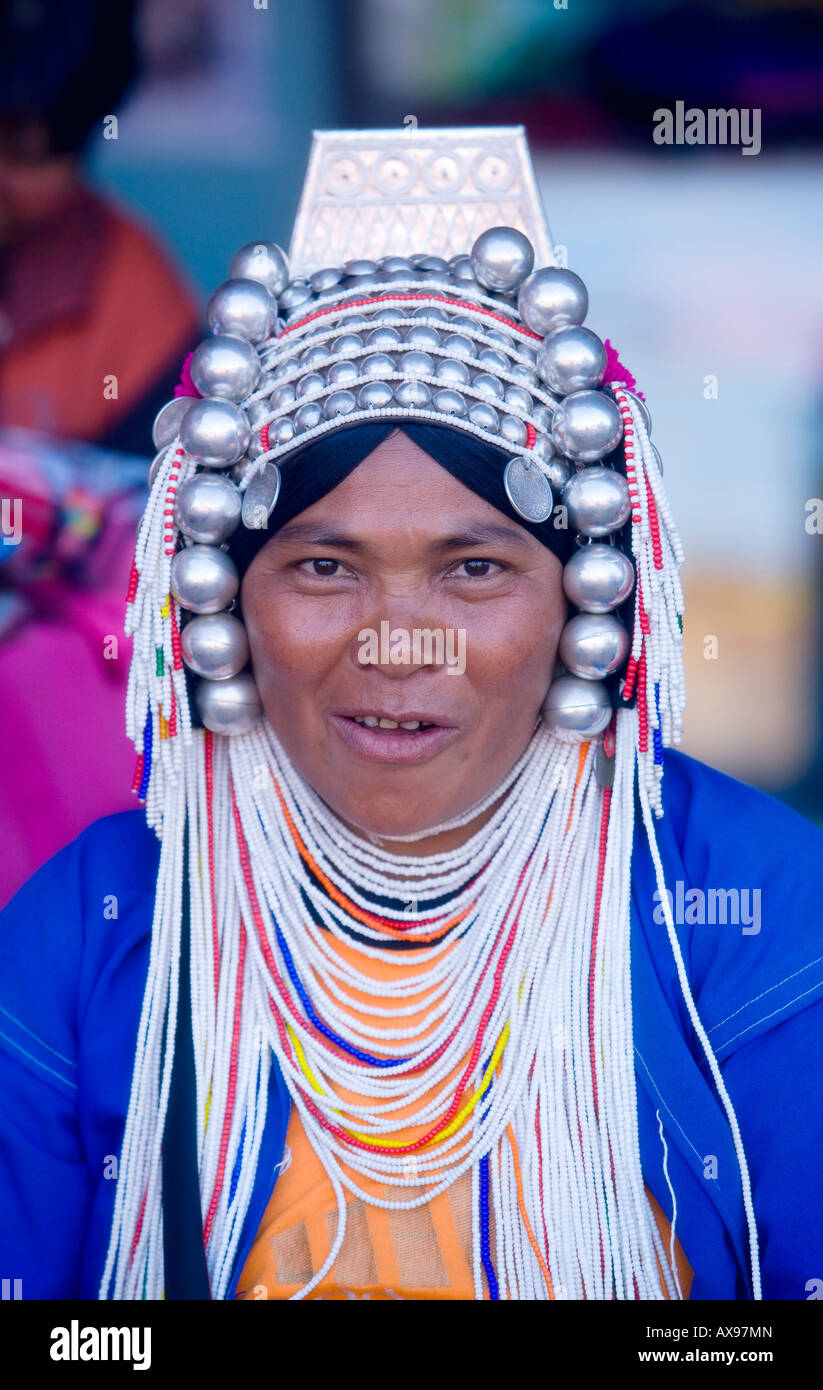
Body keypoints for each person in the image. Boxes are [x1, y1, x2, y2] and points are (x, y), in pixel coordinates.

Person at [1, 130, 822, 1302]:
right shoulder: (98, 930)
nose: (396, 639)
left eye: (474, 570)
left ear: (584, 600)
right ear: (221, 599)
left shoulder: (755, 923)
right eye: (324, 569)